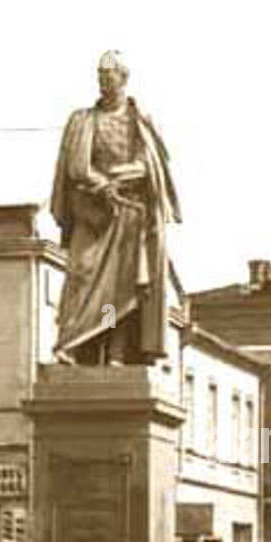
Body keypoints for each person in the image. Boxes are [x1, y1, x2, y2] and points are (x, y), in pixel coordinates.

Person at [50, 50, 181, 365]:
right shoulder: (83, 120)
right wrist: (102, 183)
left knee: (120, 292)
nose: (103, 80)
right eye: (100, 74)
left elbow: (149, 165)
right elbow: (76, 167)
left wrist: (122, 176)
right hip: (94, 213)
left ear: (124, 78)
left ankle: (114, 351)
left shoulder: (141, 121)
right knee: (82, 278)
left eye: (109, 74)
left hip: (130, 215)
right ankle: (78, 344)